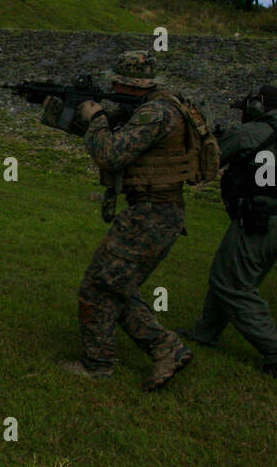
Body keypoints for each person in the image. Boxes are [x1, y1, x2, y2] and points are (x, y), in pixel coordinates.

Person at [55, 51, 200, 390]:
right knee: (115, 286)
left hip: (151, 214)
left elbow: (111, 155)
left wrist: (97, 116)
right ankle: (161, 348)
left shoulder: (155, 114)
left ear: (125, 83)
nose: (112, 85)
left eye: (116, 81)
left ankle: (107, 362)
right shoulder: (161, 106)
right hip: (155, 212)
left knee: (98, 287)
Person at [180, 85, 277, 376]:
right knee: (232, 274)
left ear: (256, 106)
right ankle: (207, 331)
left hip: (259, 218)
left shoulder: (253, 132)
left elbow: (208, 161)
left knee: (232, 284)